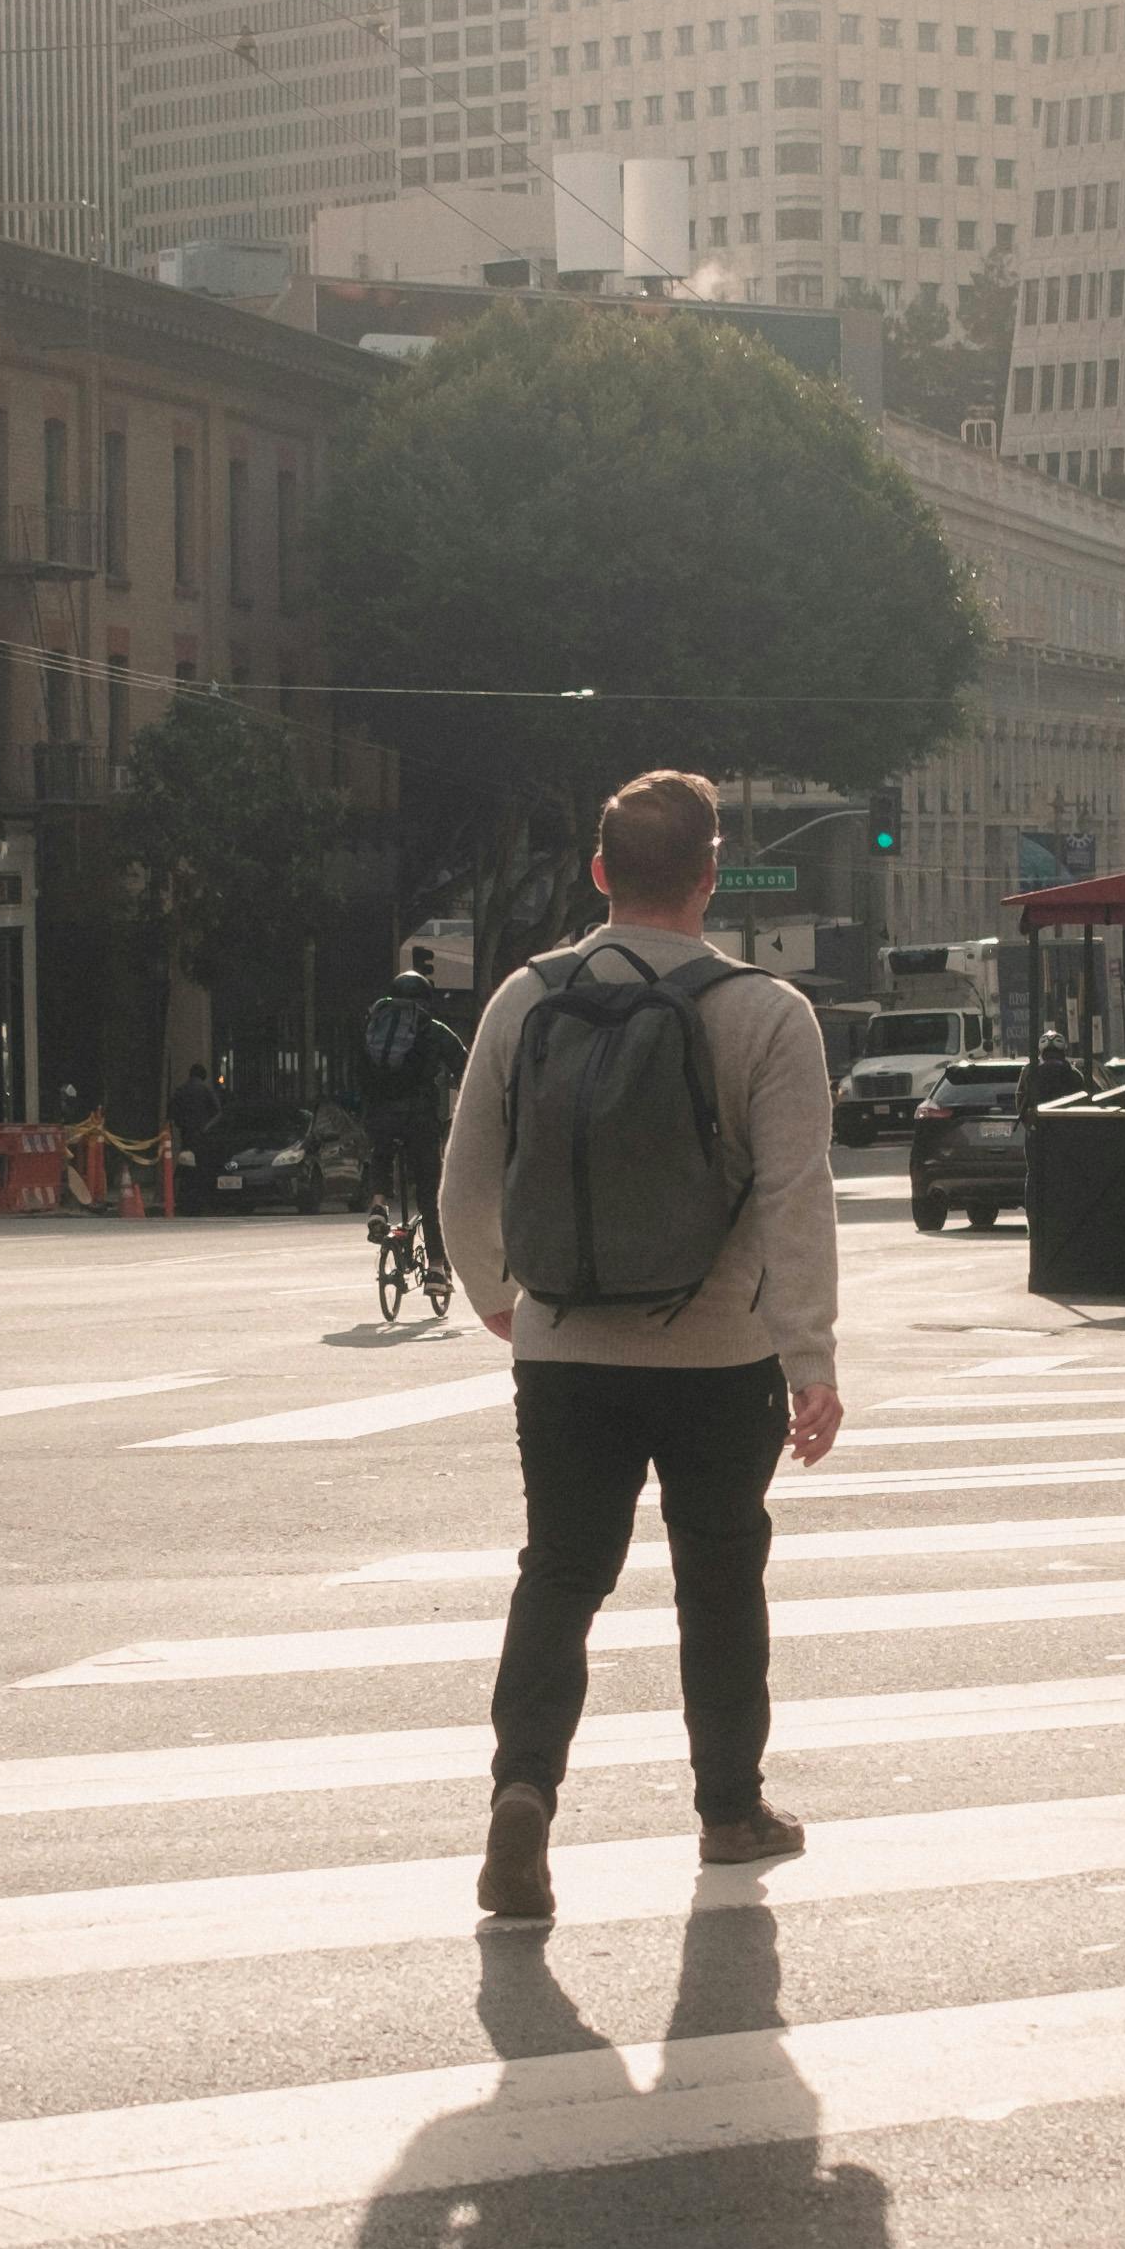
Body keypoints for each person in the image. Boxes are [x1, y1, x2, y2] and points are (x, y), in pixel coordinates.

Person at [440, 769, 840, 1922]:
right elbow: (795, 1204)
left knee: (559, 1574)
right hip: (720, 1360)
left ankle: (523, 1794)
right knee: (720, 1580)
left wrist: (503, 1296)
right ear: (711, 877)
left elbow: (467, 1178)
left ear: (600, 871)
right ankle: (728, 1810)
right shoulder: (767, 1013)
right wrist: (808, 1360)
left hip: (565, 1353)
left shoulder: (524, 999)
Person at [357, 938, 461, 1258]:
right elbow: (466, 1063)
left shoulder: (374, 1023)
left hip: (379, 1113)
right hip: (419, 1117)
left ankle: (378, 1205)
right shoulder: (433, 1029)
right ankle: (436, 1268)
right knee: (429, 1192)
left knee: (382, 1153)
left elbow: (360, 1067)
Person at [166, 1054, 224, 1222]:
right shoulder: (206, 1090)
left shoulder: (181, 1090)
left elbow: (171, 1111)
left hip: (186, 1134)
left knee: (186, 1167)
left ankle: (186, 1199)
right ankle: (200, 1201)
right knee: (201, 1168)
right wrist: (207, 1127)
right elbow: (218, 1111)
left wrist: (179, 1124)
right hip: (202, 1135)